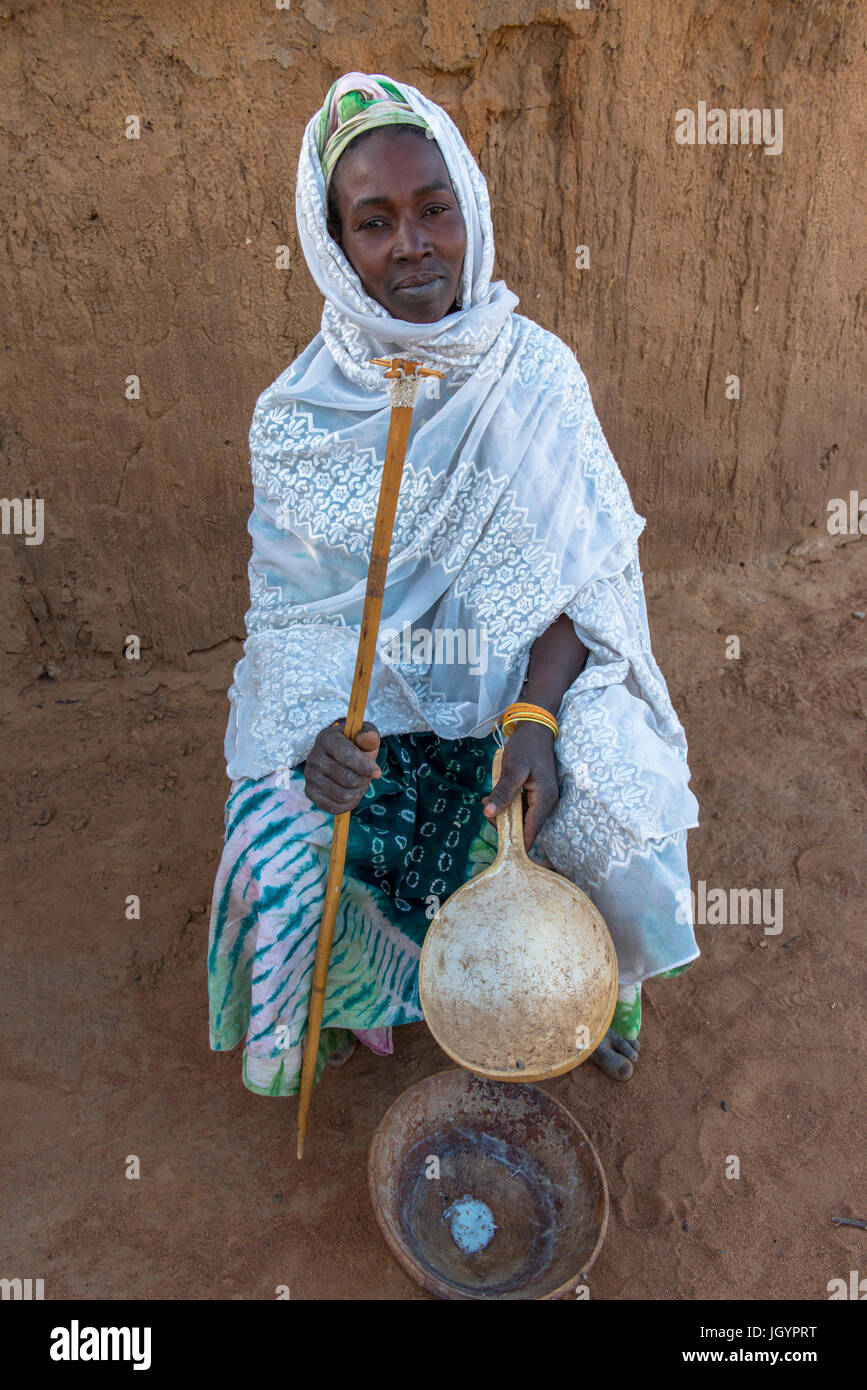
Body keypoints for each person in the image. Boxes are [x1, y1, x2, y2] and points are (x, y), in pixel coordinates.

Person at [207, 72, 699, 1099]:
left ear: (468, 208)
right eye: (373, 222)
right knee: (278, 821)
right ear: (334, 244)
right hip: (376, 711)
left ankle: (605, 977)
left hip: (523, 690)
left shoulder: (536, 376)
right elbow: (293, 630)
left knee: (617, 781)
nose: (412, 244)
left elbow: (588, 586)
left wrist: (535, 716)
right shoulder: (295, 418)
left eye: (434, 209)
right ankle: (346, 997)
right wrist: (318, 741)